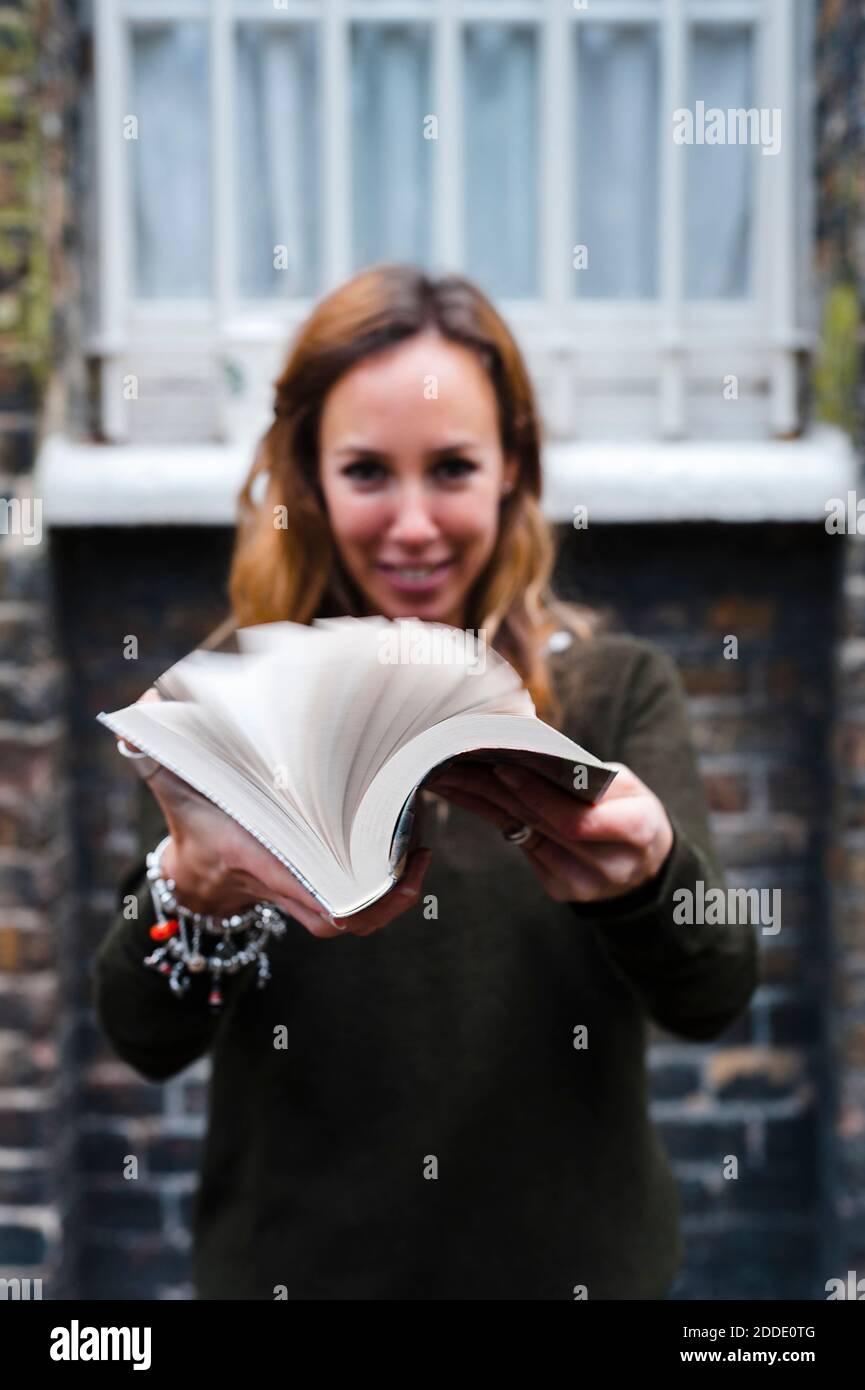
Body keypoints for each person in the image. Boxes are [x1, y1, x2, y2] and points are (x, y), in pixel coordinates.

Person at [94, 264, 758, 1300]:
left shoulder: (612, 692)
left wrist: (649, 877)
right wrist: (193, 888)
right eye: (367, 472)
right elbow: (141, 1034)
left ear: (511, 471)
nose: (412, 525)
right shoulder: (235, 698)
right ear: (309, 478)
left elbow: (714, 992)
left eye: (451, 467)